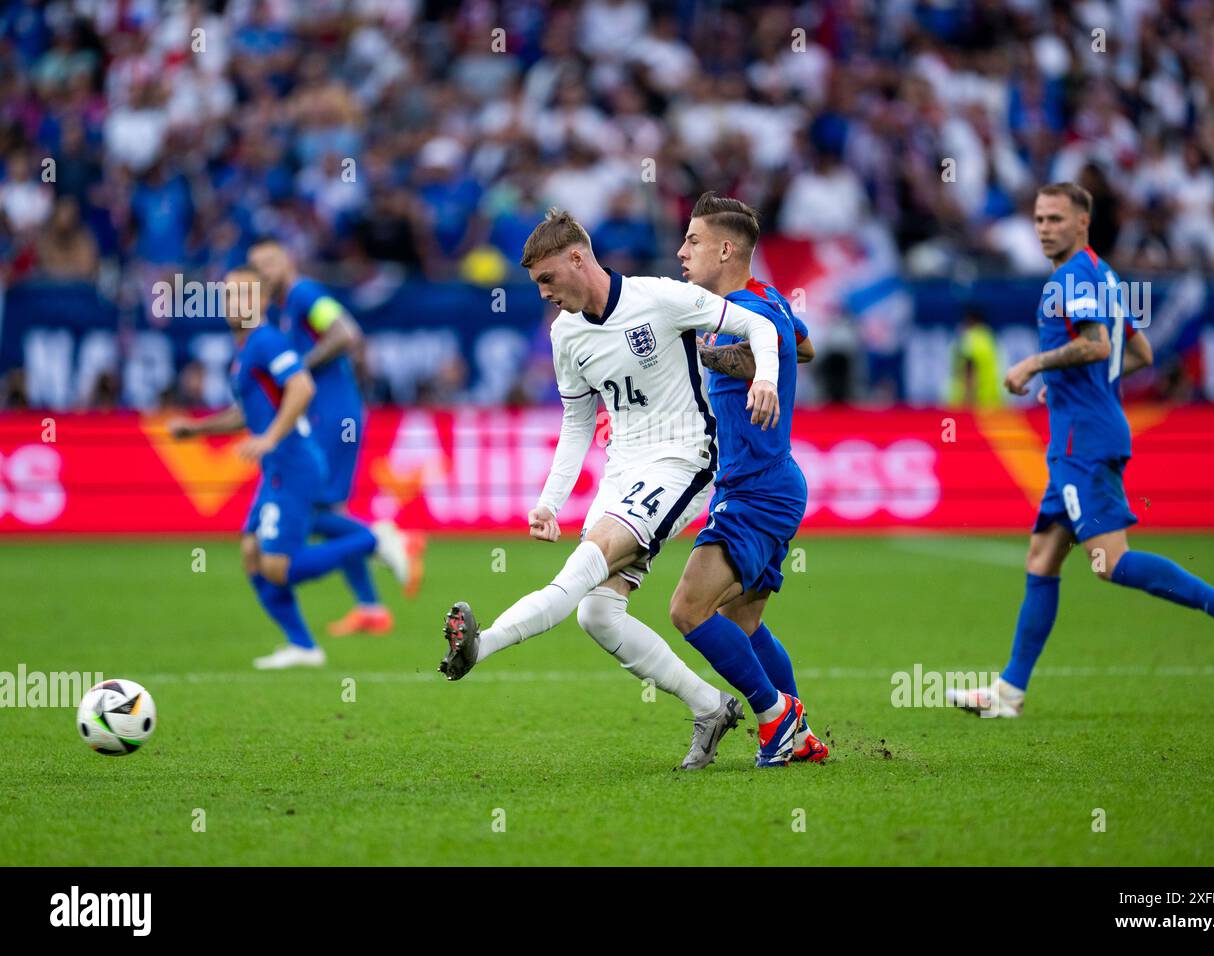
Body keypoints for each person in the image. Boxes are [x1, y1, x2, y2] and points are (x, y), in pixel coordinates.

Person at [438, 207, 784, 769]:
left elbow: (762, 327)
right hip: (623, 471)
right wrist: (550, 501)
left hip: (684, 460)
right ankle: (709, 705)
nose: (544, 292)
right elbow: (577, 423)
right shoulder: (566, 335)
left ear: (578, 257)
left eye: (548, 278)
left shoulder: (659, 298)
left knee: (584, 564)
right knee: (597, 614)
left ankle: (484, 644)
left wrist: (765, 378)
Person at [948, 184, 1214, 718]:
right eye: (1039, 218)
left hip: (1084, 441)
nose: (1044, 227)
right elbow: (1135, 351)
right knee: (1043, 557)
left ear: (1082, 224)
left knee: (1108, 561)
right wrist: (1077, 382)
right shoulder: (1104, 276)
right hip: (1082, 431)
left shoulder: (1073, 278)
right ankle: (1009, 691)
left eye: (1055, 219)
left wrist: (1035, 366)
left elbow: (1096, 344)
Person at [168, 266, 414, 669]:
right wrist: (197, 430)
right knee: (252, 554)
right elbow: (248, 412)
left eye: (244, 295)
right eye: (228, 296)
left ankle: (375, 542)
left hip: (294, 464)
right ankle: (303, 646)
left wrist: (269, 438)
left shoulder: (266, 341)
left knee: (278, 567)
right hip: (277, 467)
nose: (234, 303)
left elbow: (302, 387)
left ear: (263, 301)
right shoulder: (246, 350)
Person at [673, 191, 828, 767]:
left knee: (689, 610)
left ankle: (775, 719)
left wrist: (728, 357)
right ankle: (799, 730)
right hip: (773, 480)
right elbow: (805, 347)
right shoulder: (772, 303)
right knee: (744, 618)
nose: (682, 251)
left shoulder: (750, 313)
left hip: (755, 488)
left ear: (726, 248)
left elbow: (770, 355)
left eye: (693, 240)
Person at [248, 241, 423, 635]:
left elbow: (346, 332)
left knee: (309, 511)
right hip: (324, 414)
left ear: (288, 261)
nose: (264, 274)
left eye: (269, 264)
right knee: (328, 509)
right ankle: (371, 606)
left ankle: (384, 539)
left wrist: (296, 370)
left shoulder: (305, 294)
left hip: (332, 416)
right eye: (256, 268)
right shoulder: (283, 310)